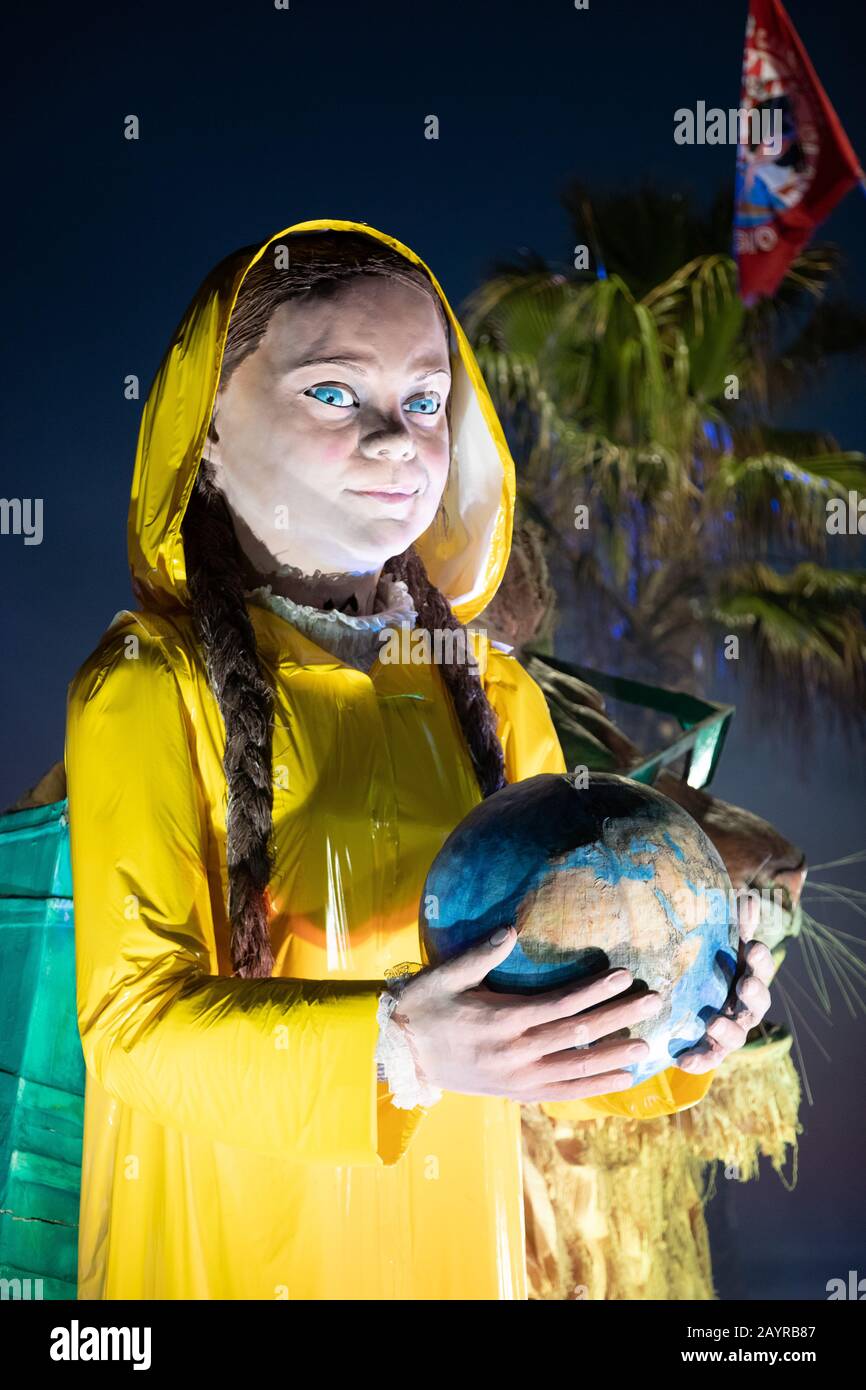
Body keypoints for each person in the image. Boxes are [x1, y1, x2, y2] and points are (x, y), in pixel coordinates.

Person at [65, 219, 773, 1299]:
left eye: (426, 401)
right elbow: (134, 1027)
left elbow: (547, 1034)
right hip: (229, 1251)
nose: (397, 440)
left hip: (453, 1255)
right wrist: (400, 1047)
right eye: (334, 393)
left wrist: (675, 1029)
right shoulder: (147, 685)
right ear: (202, 432)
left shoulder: (493, 695)